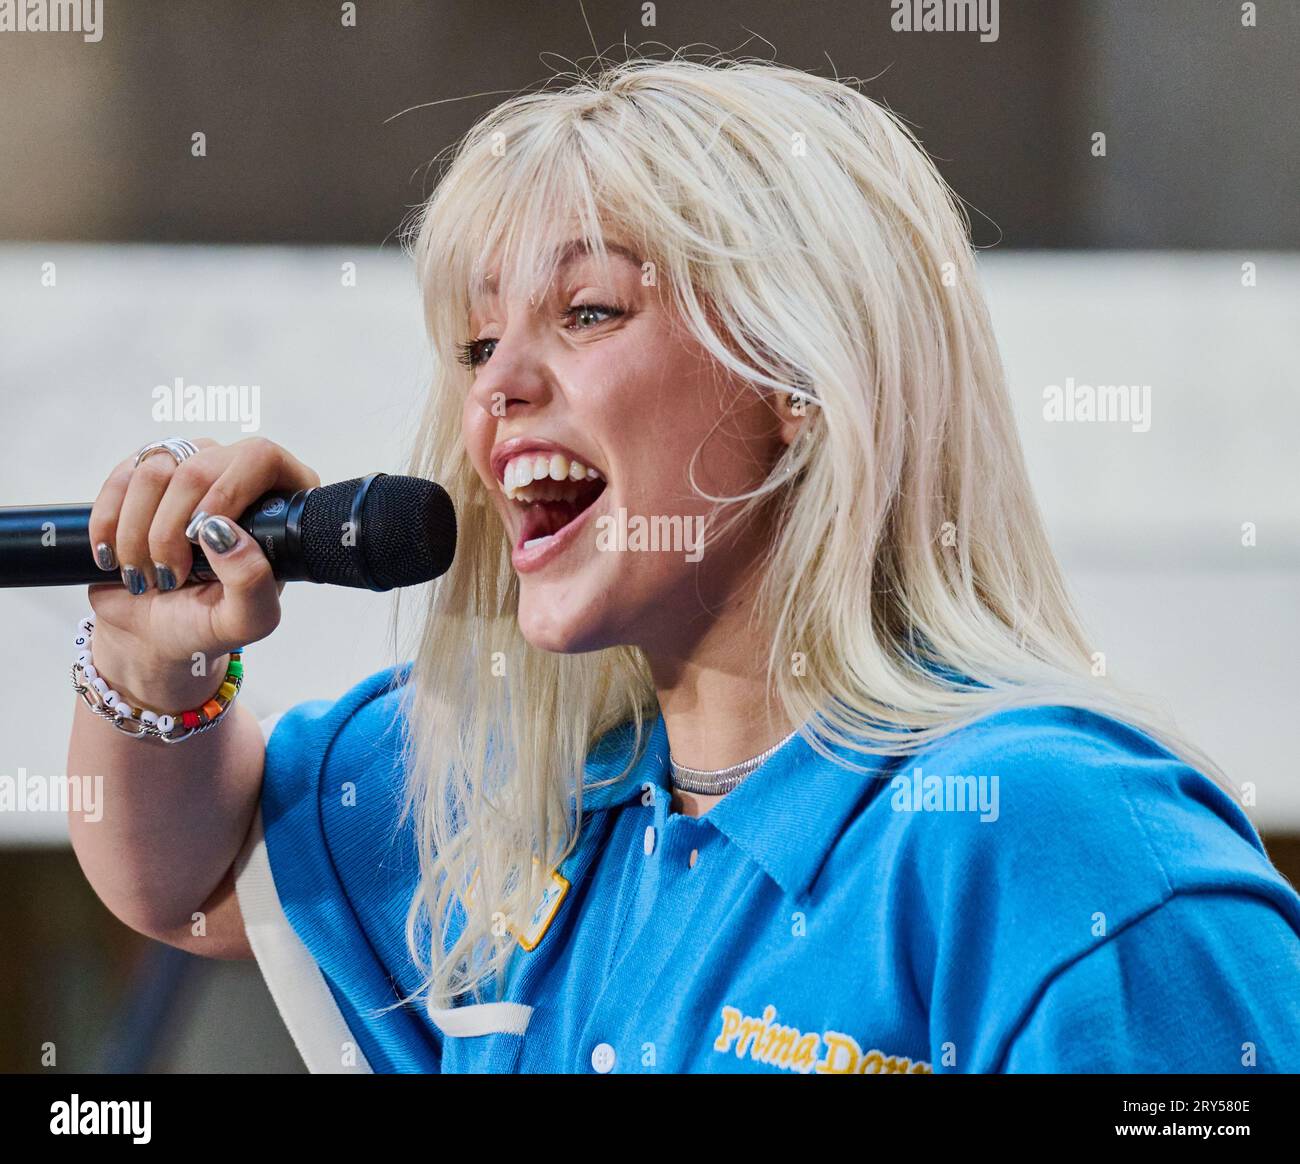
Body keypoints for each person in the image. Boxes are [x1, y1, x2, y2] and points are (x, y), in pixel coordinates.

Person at [67, 55, 1300, 1074]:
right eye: (480, 338)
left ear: (803, 380)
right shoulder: (537, 783)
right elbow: (185, 875)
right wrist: (144, 659)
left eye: (588, 312)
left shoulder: (1060, 842)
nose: (496, 387)